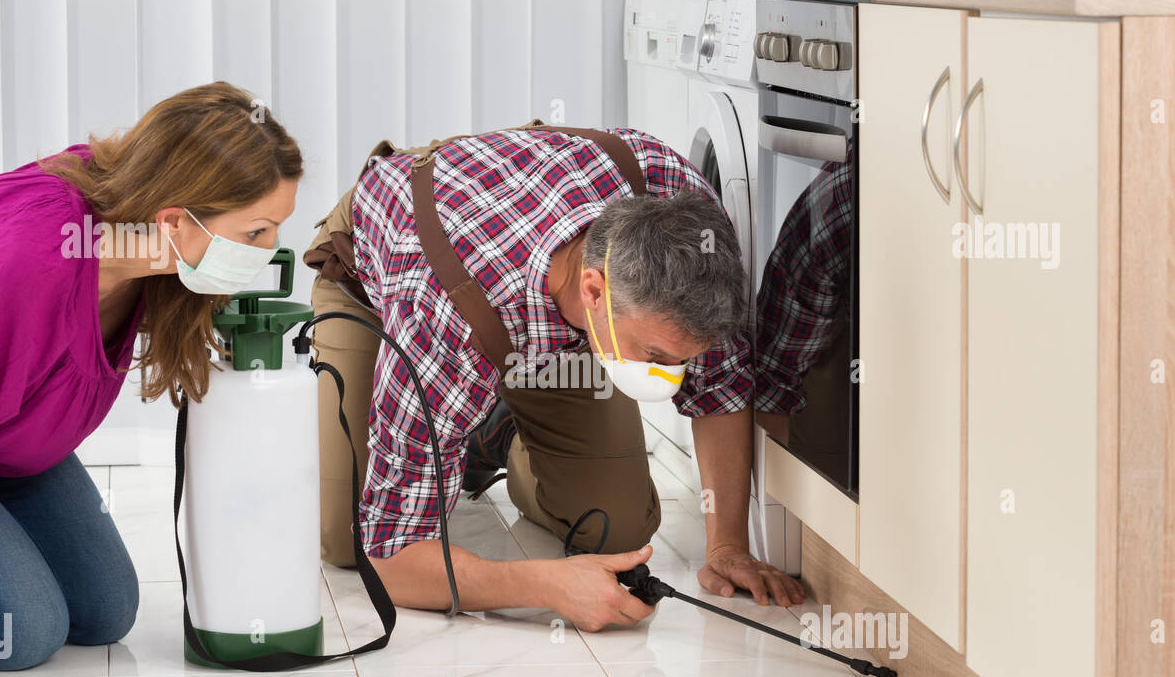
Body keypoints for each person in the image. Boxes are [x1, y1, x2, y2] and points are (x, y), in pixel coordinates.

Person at [305, 125, 805, 634]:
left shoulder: (682, 216)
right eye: (654, 355)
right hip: (379, 276)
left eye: (681, 360)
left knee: (614, 526)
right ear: (594, 290)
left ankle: (493, 434)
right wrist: (546, 585)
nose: (672, 375)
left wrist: (727, 545)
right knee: (350, 544)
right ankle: (464, 417)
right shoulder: (442, 308)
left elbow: (721, 385)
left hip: (545, 297)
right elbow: (389, 557)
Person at [0, 81, 302, 677]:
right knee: (22, 632)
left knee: (104, 611)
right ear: (174, 220)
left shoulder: (145, 238)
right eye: (255, 232)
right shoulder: (27, 258)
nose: (269, 250)